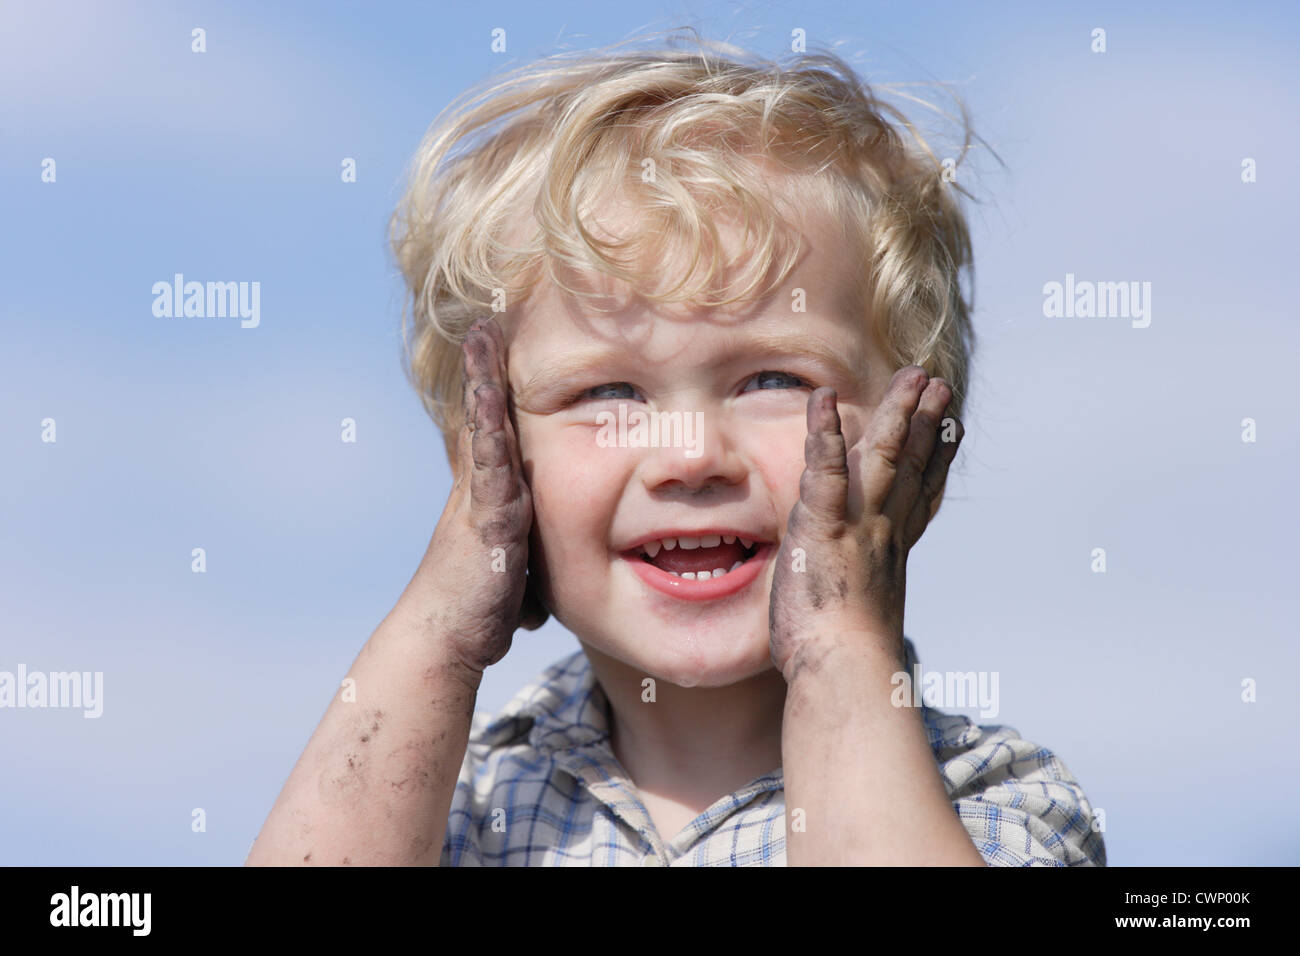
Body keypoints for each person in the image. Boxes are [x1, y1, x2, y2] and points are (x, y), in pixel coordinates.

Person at [247, 30, 1105, 867]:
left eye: (773, 379)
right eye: (606, 392)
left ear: (915, 439)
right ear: (487, 454)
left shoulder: (993, 796)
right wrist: (436, 633)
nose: (691, 457)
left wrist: (837, 646)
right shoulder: (450, 806)